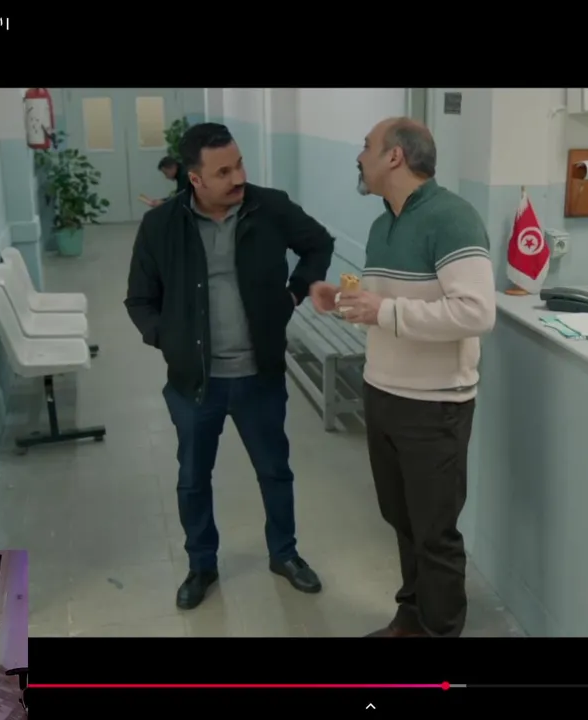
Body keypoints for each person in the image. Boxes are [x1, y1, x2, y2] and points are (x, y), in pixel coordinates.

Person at [125, 122, 339, 610]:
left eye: (239, 164)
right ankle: (201, 565)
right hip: (194, 383)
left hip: (259, 376)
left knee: (275, 471)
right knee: (193, 479)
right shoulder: (161, 226)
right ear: (194, 179)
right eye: (223, 172)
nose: (238, 177)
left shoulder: (270, 207)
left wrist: (294, 292)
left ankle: (284, 554)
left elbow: (319, 243)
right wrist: (169, 340)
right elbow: (139, 299)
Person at [335, 117, 495, 638]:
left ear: (395, 157)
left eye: (367, 147)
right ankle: (411, 618)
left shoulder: (452, 218)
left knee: (434, 533)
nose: (359, 157)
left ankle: (440, 631)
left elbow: (476, 312)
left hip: (434, 404)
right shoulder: (383, 224)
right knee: (402, 520)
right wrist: (351, 304)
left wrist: (383, 311)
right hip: (383, 391)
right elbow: (388, 306)